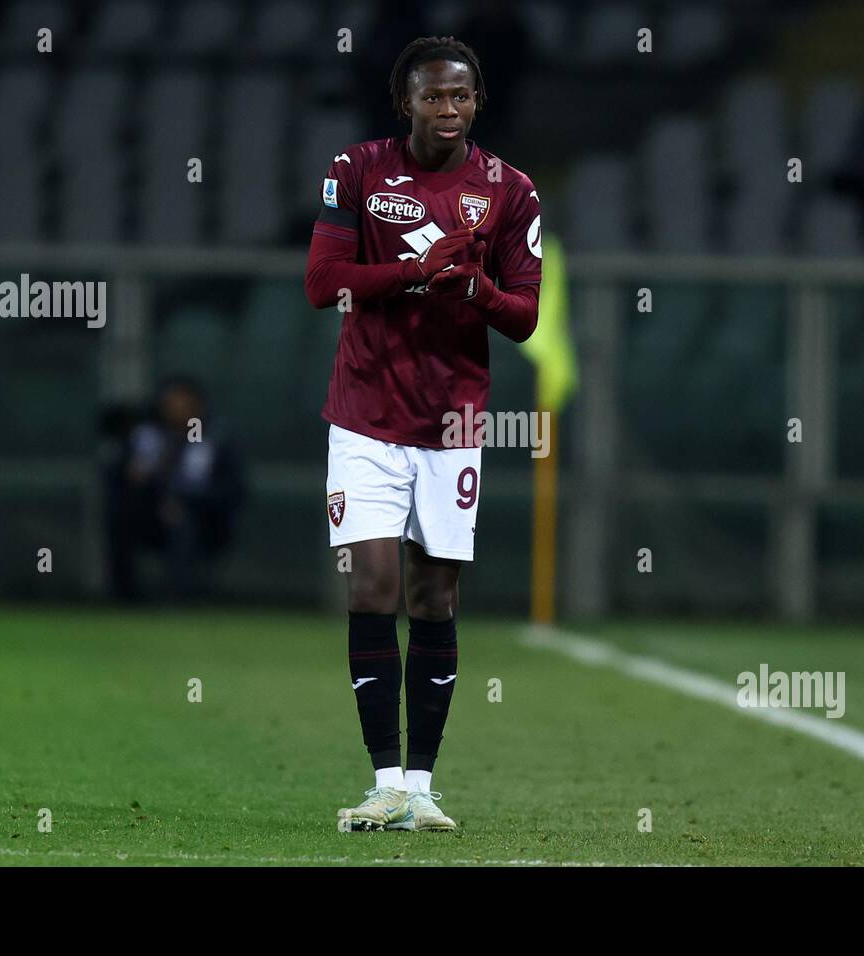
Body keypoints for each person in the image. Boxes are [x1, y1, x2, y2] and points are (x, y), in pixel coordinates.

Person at [304, 36, 542, 831]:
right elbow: (322, 282)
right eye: (434, 96)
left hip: (454, 417)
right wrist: (413, 270)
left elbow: (526, 317)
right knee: (371, 586)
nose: (450, 110)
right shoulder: (358, 170)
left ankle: (422, 786)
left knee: (433, 596)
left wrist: (474, 285)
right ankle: (383, 783)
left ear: (479, 101)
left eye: (463, 96)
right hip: (366, 412)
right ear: (404, 102)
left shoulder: (510, 192)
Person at [103, 376, 246, 602]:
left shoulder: (217, 441)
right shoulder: (143, 437)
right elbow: (117, 477)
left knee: (183, 521)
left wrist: (189, 500)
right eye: (171, 405)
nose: (178, 411)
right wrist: (132, 476)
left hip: (202, 519)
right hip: (148, 513)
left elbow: (233, 490)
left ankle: (178, 597)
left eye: (185, 405)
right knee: (119, 517)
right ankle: (124, 596)